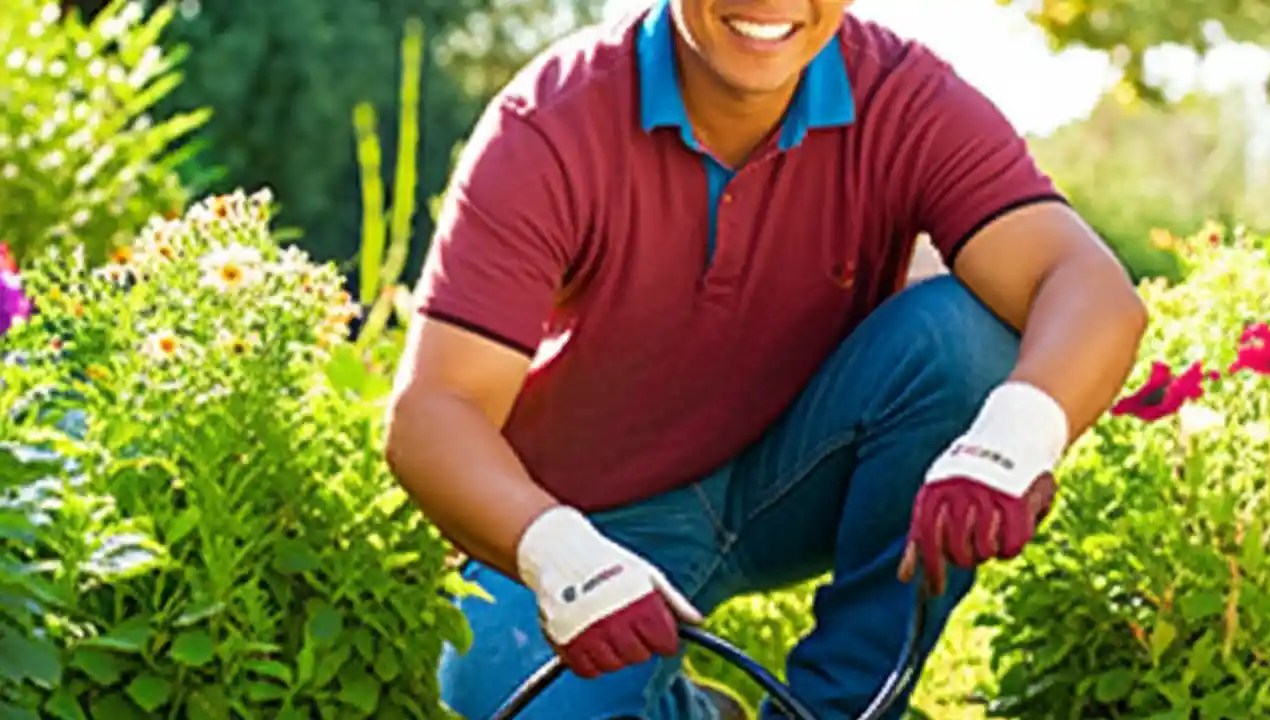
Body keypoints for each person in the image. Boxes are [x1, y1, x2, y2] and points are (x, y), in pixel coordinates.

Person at [383, 0, 1148, 717]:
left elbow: (1086, 283)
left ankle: (836, 707)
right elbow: (435, 410)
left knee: (967, 337)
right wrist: (554, 551)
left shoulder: (904, 98)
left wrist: (1015, 440)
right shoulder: (550, 124)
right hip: (596, 522)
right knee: (502, 683)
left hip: (798, 473)